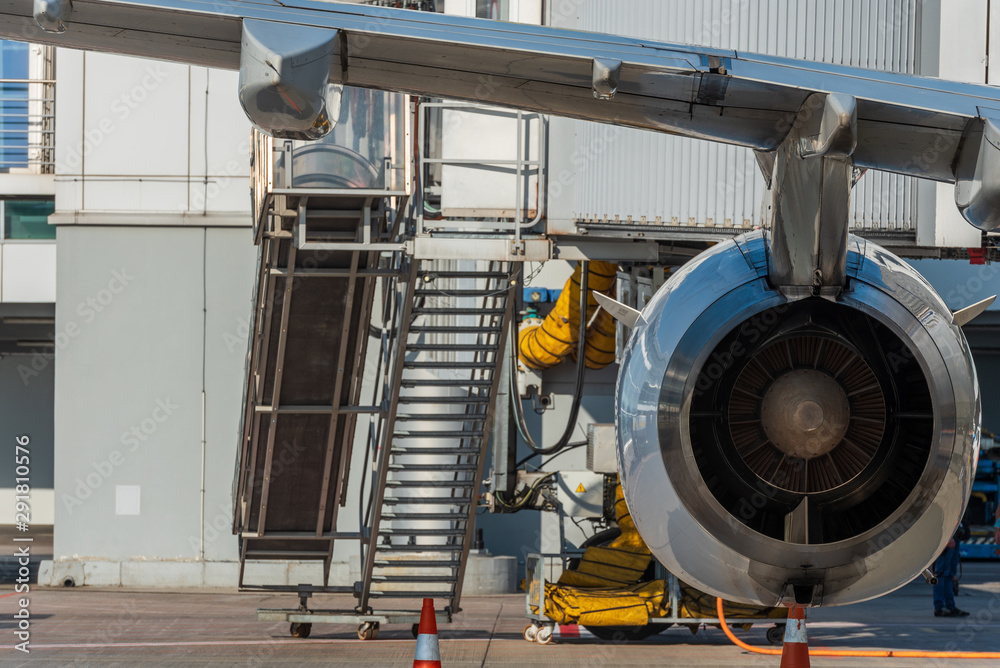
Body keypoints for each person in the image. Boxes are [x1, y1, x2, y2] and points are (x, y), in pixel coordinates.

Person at [933, 520, 970, 617]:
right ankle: (940, 607)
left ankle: (950, 606)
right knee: (942, 573)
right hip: (949, 536)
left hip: (955, 535)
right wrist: (948, 537)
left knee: (949, 574)